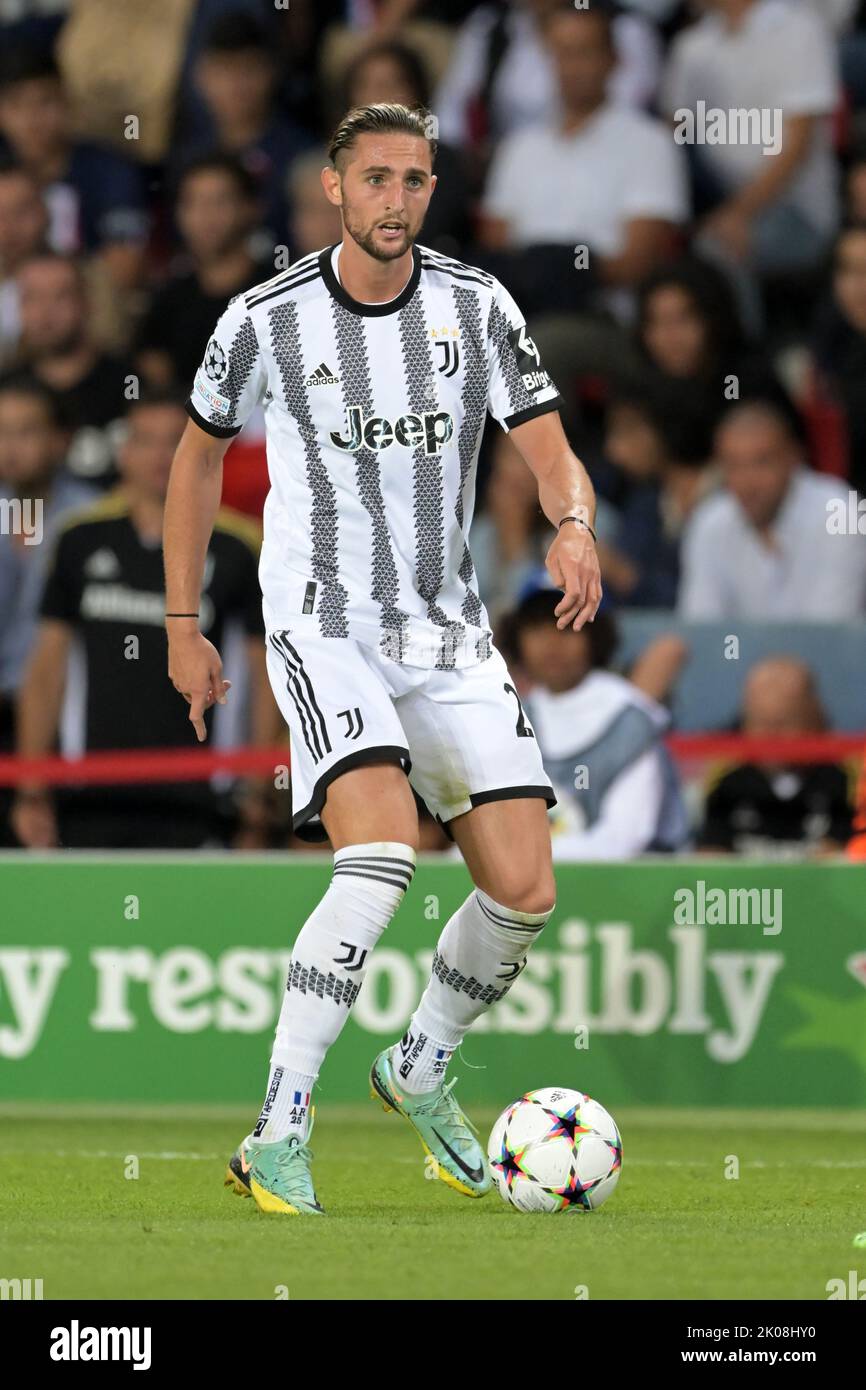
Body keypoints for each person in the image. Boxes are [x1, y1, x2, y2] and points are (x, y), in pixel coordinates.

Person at [164, 102, 601, 1216]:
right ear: (332, 186)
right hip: (325, 621)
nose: (396, 200)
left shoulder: (476, 304)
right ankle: (277, 1126)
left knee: (524, 887)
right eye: (376, 179)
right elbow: (192, 467)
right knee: (383, 854)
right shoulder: (262, 319)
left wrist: (572, 523)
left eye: (415, 179)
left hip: (445, 630)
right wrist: (180, 623)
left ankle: (416, 1064)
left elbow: (549, 450)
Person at [11, 390, 276, 851]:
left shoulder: (239, 547)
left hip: (204, 802)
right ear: (123, 451)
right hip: (90, 796)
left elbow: (267, 672)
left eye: (175, 440)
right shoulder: (78, 539)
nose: (160, 455)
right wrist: (32, 790)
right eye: (145, 440)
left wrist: (258, 790)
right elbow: (45, 672)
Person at [507, 590, 689, 858]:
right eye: (536, 628)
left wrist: (523, 858)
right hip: (536, 886)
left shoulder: (630, 720)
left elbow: (625, 839)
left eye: (568, 626)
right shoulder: (512, 716)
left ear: (595, 635)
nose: (551, 642)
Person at [678, 400, 866, 619]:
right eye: (734, 465)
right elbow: (701, 628)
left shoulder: (842, 513)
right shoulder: (709, 522)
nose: (748, 482)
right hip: (737, 654)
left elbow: (829, 634)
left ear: (793, 458)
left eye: (762, 462)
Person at [136, 155, 272, 390]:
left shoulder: (280, 291)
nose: (206, 216)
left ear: (250, 209)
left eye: (220, 201)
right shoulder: (167, 303)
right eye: (193, 203)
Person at [697, 657, 853, 857]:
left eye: (784, 722)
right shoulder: (727, 783)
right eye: (760, 722)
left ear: (814, 719)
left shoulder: (846, 783)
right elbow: (709, 861)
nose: (771, 736)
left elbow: (845, 867)